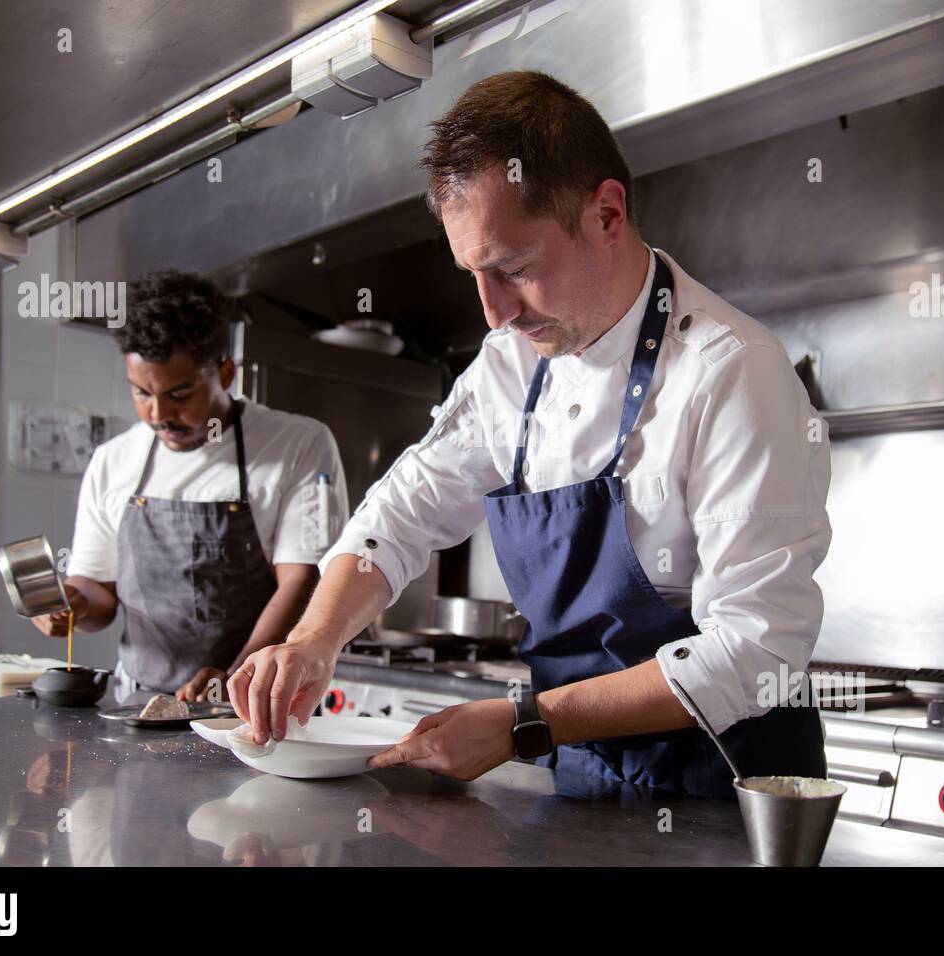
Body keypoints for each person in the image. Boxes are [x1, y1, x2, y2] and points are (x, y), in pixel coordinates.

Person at [229, 71, 832, 799]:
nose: (493, 313)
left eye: (513, 268)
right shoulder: (511, 364)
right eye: (473, 274)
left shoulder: (731, 373)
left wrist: (527, 721)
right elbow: (404, 509)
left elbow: (754, 650)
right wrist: (313, 639)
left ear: (607, 213)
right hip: (580, 773)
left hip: (722, 785)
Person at [33, 270, 348, 701]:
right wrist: (72, 608)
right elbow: (99, 593)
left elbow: (303, 579)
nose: (158, 413)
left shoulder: (297, 443)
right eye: (141, 393)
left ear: (225, 372)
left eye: (180, 394)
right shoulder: (113, 461)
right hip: (139, 704)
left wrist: (238, 676)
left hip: (258, 703)